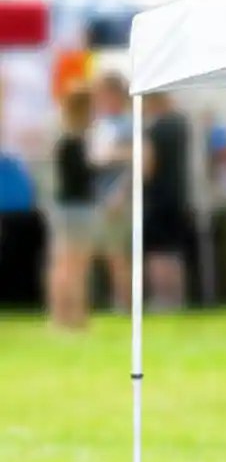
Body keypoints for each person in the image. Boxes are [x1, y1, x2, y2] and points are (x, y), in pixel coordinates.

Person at [47, 86, 98, 330]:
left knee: (63, 264)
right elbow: (83, 176)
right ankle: (75, 315)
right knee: (75, 265)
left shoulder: (64, 140)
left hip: (66, 207)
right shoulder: (75, 142)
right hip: (77, 208)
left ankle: (62, 315)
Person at [142, 92, 193, 311]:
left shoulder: (154, 130)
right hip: (179, 195)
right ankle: (177, 299)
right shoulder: (181, 124)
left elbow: (147, 166)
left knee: (157, 253)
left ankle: (162, 299)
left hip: (157, 197)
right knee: (174, 252)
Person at [88, 72, 133, 311]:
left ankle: (124, 302)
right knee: (106, 253)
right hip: (99, 196)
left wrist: (121, 193)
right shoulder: (100, 123)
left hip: (116, 196)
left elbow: (137, 161)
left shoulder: (128, 123)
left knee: (118, 254)